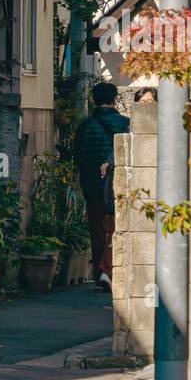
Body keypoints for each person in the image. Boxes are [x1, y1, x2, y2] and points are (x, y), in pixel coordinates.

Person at [73, 81, 129, 292]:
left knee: (97, 231)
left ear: (93, 99)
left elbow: (78, 156)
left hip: (93, 187)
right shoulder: (126, 124)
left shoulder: (85, 127)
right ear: (115, 98)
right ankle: (114, 272)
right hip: (120, 186)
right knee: (118, 229)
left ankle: (99, 274)